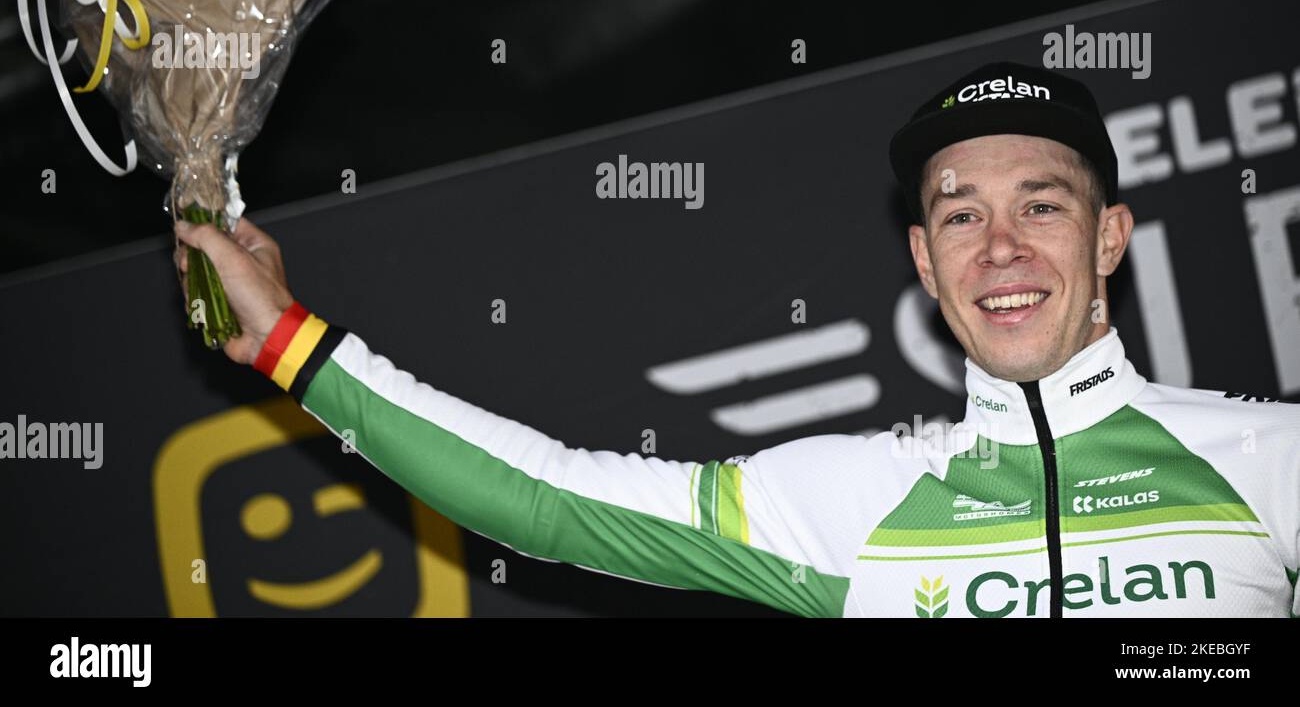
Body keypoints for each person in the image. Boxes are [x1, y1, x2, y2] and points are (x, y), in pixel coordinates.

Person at [174, 61, 1300, 618]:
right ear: (923, 261)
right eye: (962, 216)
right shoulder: (857, 501)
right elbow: (546, 500)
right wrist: (288, 343)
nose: (1000, 248)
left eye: (1040, 206)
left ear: (1109, 237)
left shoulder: (1271, 460)